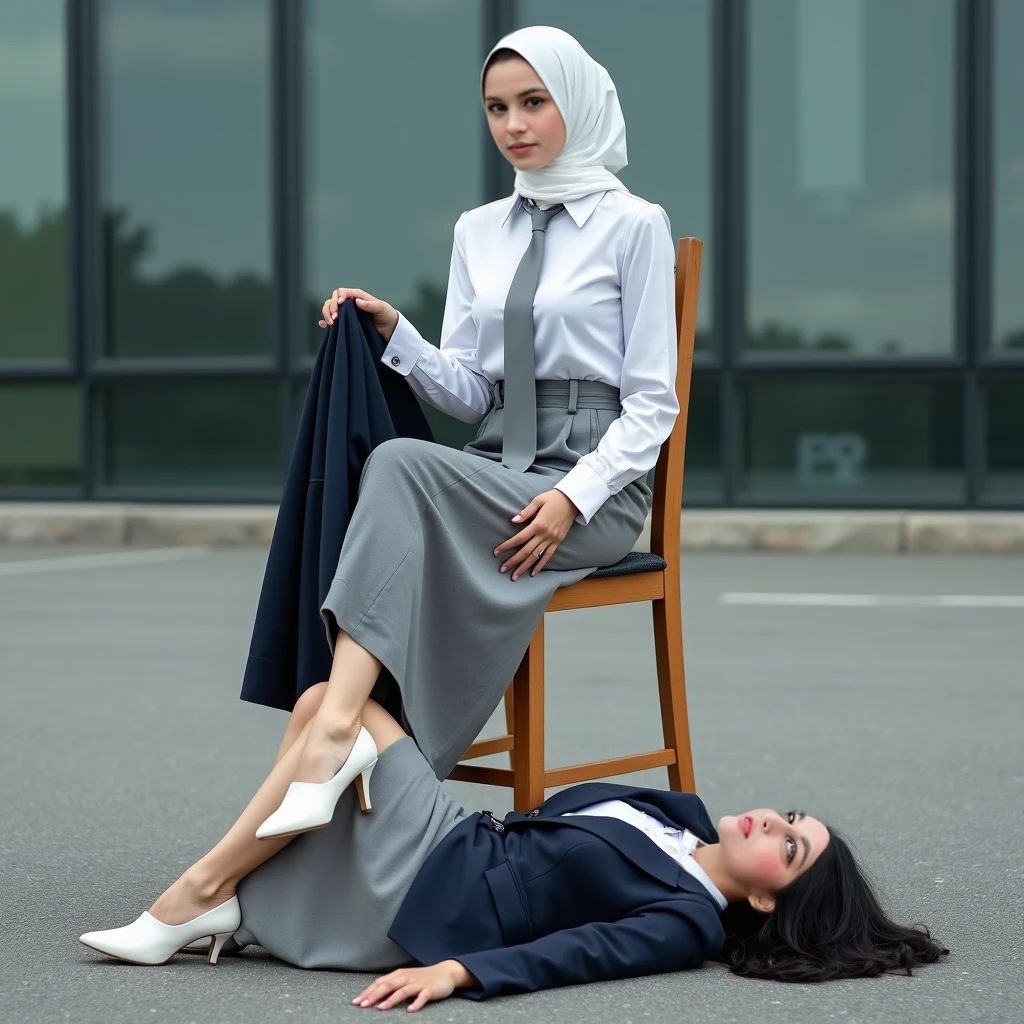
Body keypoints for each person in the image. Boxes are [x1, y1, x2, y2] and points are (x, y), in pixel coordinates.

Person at [79, 691, 948, 1009]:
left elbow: (583, 954)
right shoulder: (678, 814)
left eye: (789, 847)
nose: (770, 821)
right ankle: (218, 892)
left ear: (765, 901)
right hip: (459, 842)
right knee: (322, 705)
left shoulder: (689, 919)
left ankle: (200, 892)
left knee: (347, 717)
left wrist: (459, 974)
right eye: (787, 815)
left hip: (438, 895)